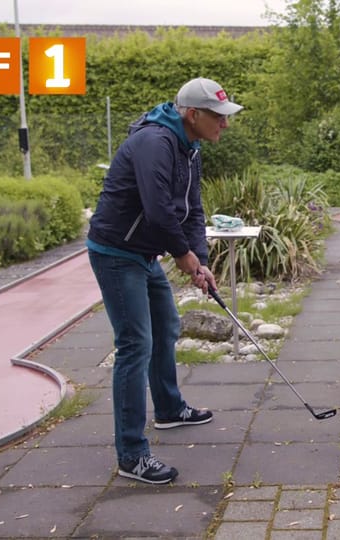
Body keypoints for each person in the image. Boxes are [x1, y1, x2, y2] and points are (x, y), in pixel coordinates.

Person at [86, 77, 242, 484]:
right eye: (219, 117)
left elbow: (192, 210)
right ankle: (132, 454)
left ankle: (170, 410)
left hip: (143, 252)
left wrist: (201, 260)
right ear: (193, 114)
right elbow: (157, 210)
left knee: (167, 325)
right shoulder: (156, 143)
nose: (225, 124)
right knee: (135, 343)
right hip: (117, 252)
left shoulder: (189, 149)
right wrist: (184, 257)